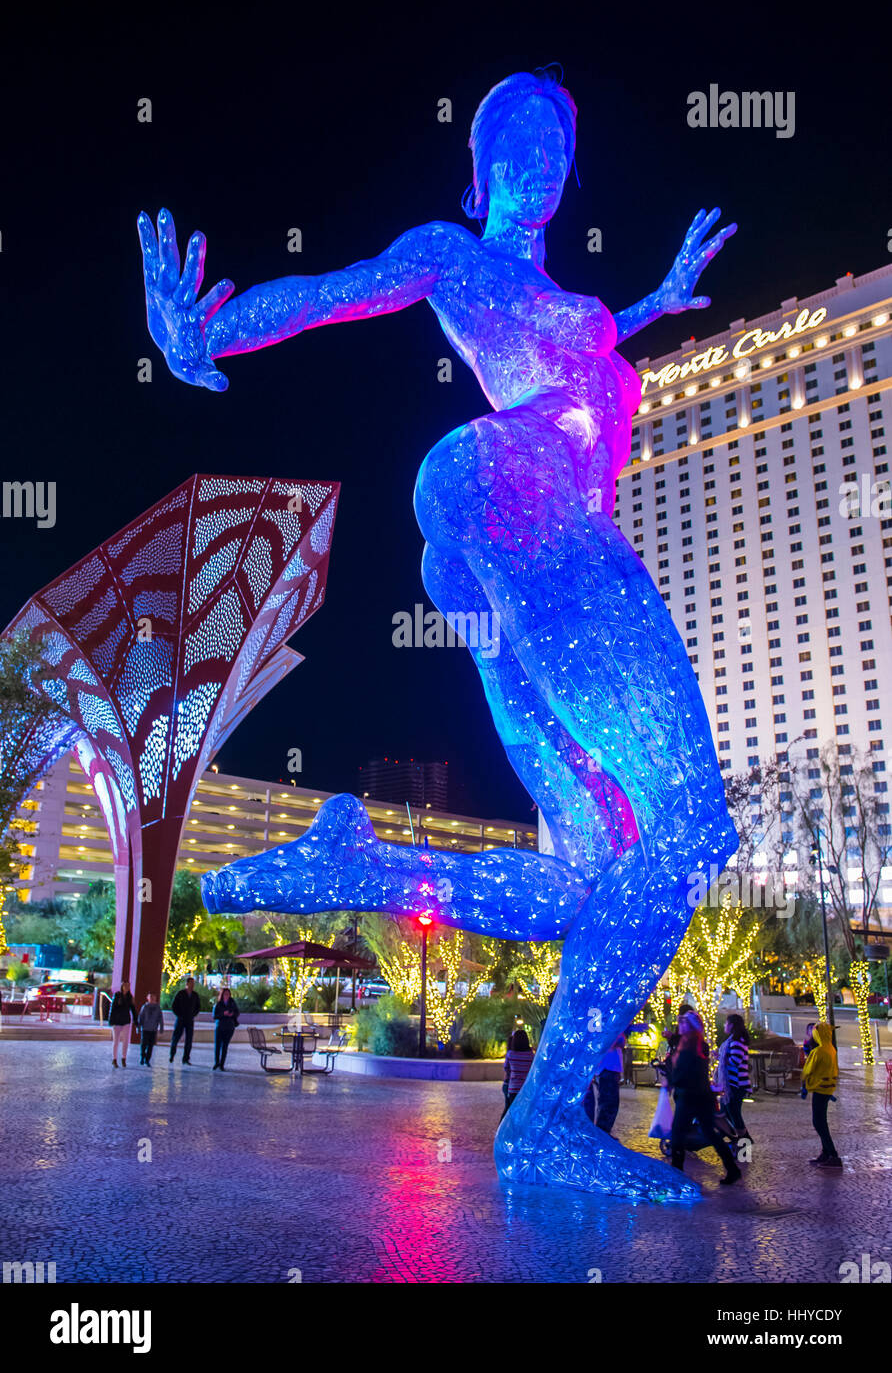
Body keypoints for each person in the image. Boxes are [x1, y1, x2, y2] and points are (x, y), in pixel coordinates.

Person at [145, 72, 738, 1201]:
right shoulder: (454, 258)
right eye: (512, 134)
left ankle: (360, 864)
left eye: (558, 136)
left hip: (501, 551)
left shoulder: (568, 306)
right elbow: (340, 289)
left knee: (588, 880)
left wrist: (655, 299)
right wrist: (209, 328)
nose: (541, 150)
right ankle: (549, 1119)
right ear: (473, 177)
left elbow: (589, 338)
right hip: (513, 494)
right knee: (693, 822)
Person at [668, 1011, 742, 1185]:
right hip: (700, 1095)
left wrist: (670, 1078)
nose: (680, 1024)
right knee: (710, 1134)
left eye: (683, 1021)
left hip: (690, 1096)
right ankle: (732, 1169)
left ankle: (676, 1173)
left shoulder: (689, 1045)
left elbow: (682, 1074)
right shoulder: (694, 1043)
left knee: (678, 1135)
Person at [802, 1021, 841, 1168]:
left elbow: (808, 1070)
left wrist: (804, 1085)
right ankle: (826, 1153)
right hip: (827, 1089)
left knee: (819, 1122)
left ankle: (832, 1154)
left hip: (820, 1089)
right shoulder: (831, 1049)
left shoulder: (818, 1051)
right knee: (821, 1121)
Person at [582, 1031, 626, 1134]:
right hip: (608, 1066)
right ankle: (602, 1134)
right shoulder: (607, 1022)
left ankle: (602, 1133)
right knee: (608, 1105)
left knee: (608, 1104)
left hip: (609, 1067)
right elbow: (612, 1041)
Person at [717, 1013, 751, 1137]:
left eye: (726, 1023)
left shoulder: (737, 1041)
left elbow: (734, 1061)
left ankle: (743, 1143)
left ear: (731, 1025)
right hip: (731, 1084)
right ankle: (734, 1140)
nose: (724, 1025)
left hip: (736, 1084)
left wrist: (721, 1058)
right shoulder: (733, 1040)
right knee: (727, 1114)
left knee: (734, 1115)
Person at [501, 1029, 535, 1119]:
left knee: (512, 1114)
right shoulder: (531, 1055)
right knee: (524, 1115)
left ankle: (505, 1132)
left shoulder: (511, 1054)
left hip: (513, 1088)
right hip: (525, 1089)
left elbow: (506, 1068)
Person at [169, 977, 202, 1064]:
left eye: (193, 983)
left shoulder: (195, 995)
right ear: (187, 984)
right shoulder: (180, 994)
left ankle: (186, 1058)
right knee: (176, 1037)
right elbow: (174, 1006)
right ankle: (172, 1055)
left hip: (189, 1020)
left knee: (189, 1039)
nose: (192, 985)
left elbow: (198, 1007)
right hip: (180, 1019)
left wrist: (193, 1015)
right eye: (191, 983)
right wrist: (179, 1015)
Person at [108, 980, 138, 1068]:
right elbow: (112, 1008)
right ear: (122, 986)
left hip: (126, 1021)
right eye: (125, 986)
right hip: (117, 1021)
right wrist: (111, 1021)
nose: (127, 988)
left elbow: (133, 1010)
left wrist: (136, 1021)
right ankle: (114, 1059)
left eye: (128, 986)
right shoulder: (117, 995)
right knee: (116, 1041)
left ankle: (124, 1058)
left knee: (125, 1041)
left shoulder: (130, 997)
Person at [212, 987, 240, 1071]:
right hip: (220, 1026)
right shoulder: (218, 1004)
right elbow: (215, 1016)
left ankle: (222, 1064)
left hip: (229, 1027)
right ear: (222, 995)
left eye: (228, 994)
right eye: (225, 994)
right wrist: (223, 1014)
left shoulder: (232, 1003)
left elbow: (237, 1012)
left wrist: (232, 1014)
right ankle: (216, 1062)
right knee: (217, 1046)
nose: (227, 996)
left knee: (225, 1046)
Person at [137, 993, 164, 1066]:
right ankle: (142, 1056)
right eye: (150, 997)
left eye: (153, 997)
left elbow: (160, 1018)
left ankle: (147, 1060)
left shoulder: (158, 1008)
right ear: (148, 998)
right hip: (145, 1029)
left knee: (150, 1046)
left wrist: (161, 1027)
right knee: (143, 1044)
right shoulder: (145, 1007)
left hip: (153, 1030)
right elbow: (141, 1017)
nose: (152, 999)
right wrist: (139, 1027)